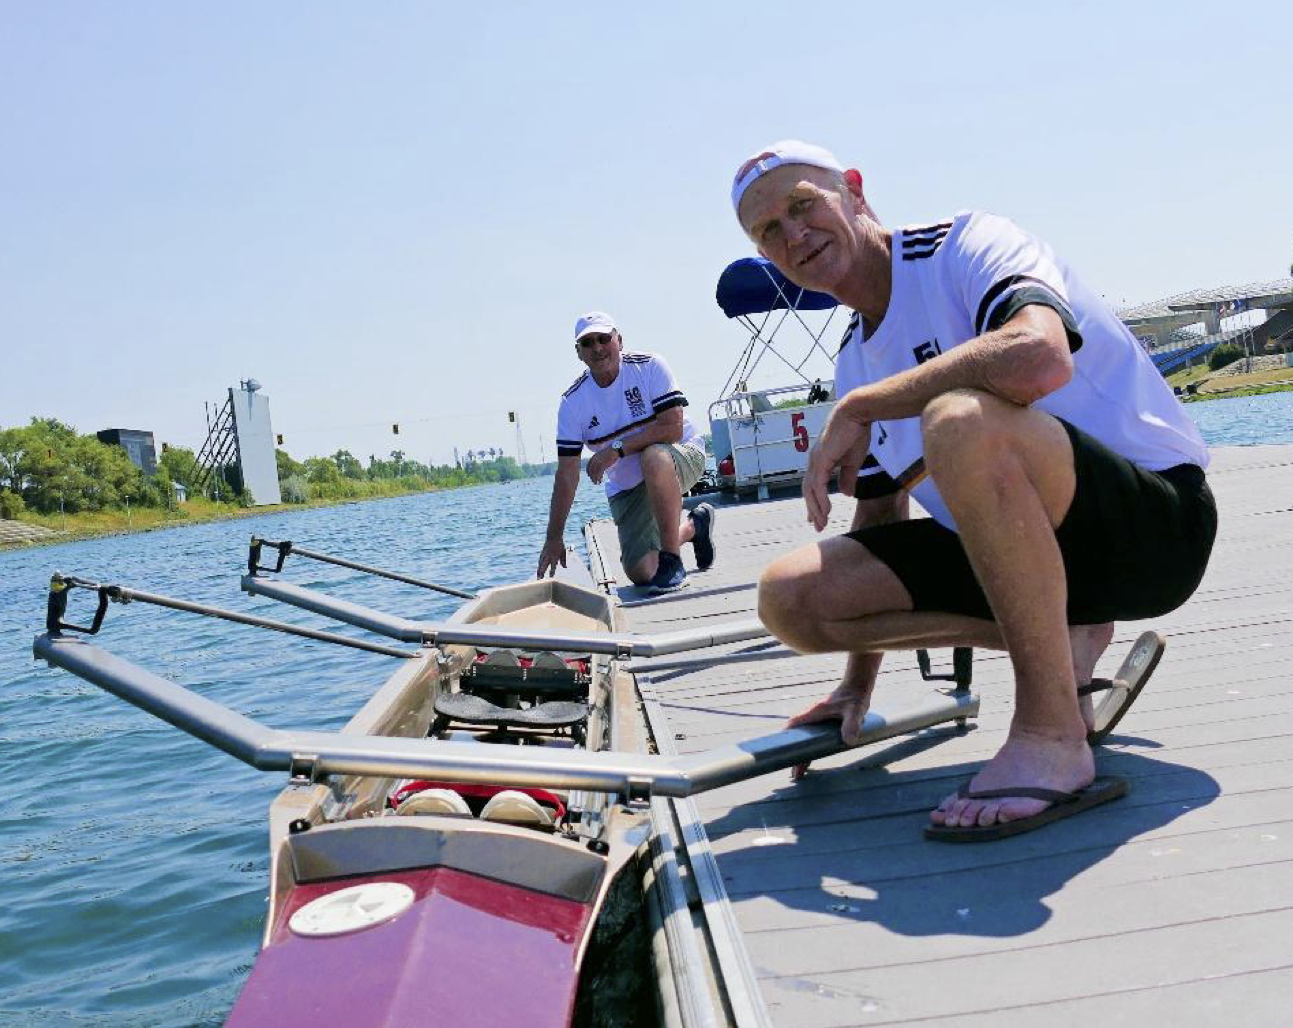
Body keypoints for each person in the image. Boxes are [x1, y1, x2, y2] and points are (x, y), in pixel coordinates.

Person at [731, 141, 1216, 840]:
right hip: (1033, 555)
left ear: (855, 193)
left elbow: (1040, 357)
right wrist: (855, 688)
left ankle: (1052, 735)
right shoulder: (852, 363)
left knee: (958, 419)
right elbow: (879, 515)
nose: (793, 235)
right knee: (791, 597)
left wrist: (868, 405)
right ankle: (1069, 641)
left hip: (1153, 530)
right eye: (768, 231)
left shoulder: (963, 246)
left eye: (801, 205)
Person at [537, 311, 716, 593]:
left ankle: (672, 562)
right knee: (641, 572)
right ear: (578, 353)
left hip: (680, 457)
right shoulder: (573, 403)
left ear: (619, 340)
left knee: (653, 456)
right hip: (630, 485)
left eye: (603, 338)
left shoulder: (650, 366)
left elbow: (673, 428)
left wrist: (615, 450)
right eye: (587, 343)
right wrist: (554, 536)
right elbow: (567, 475)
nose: (597, 348)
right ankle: (695, 526)